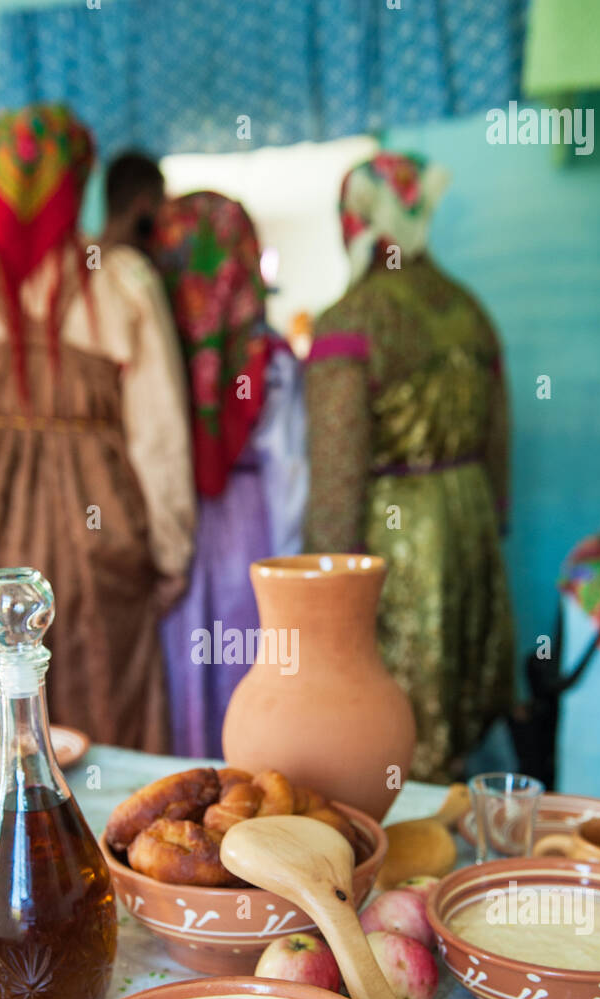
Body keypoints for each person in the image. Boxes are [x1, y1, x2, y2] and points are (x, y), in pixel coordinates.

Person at [0, 104, 194, 750]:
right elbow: (157, 435)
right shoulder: (124, 280)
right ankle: (105, 844)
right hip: (103, 518)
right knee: (109, 690)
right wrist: (169, 549)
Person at [305, 152, 514, 783]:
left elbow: (338, 469)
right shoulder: (469, 310)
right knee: (452, 713)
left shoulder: (353, 319)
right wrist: (488, 520)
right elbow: (499, 445)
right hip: (470, 516)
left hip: (400, 538)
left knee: (395, 726)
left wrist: (327, 584)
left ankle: (406, 857)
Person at [152, 190, 307, 758]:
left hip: (176, 530)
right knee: (252, 672)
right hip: (251, 533)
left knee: (184, 673)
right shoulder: (270, 358)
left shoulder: (153, 347)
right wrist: (291, 565)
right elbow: (291, 473)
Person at [100, 150, 165, 257]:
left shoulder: (90, 251)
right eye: (157, 206)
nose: (159, 218)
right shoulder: (130, 262)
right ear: (144, 204)